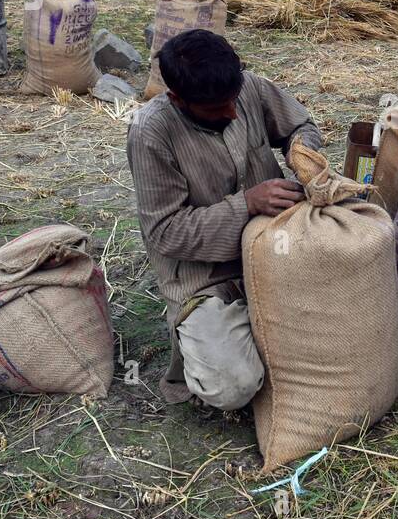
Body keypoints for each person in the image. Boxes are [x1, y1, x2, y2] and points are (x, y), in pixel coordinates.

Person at [126, 29, 322, 409]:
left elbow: (302, 126)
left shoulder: (246, 87)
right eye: (217, 109)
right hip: (207, 279)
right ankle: (209, 343)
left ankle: (264, 328)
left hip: (279, 249)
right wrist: (245, 204)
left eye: (233, 101)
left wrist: (301, 154)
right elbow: (165, 233)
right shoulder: (151, 134)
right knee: (233, 386)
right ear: (178, 99)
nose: (233, 113)